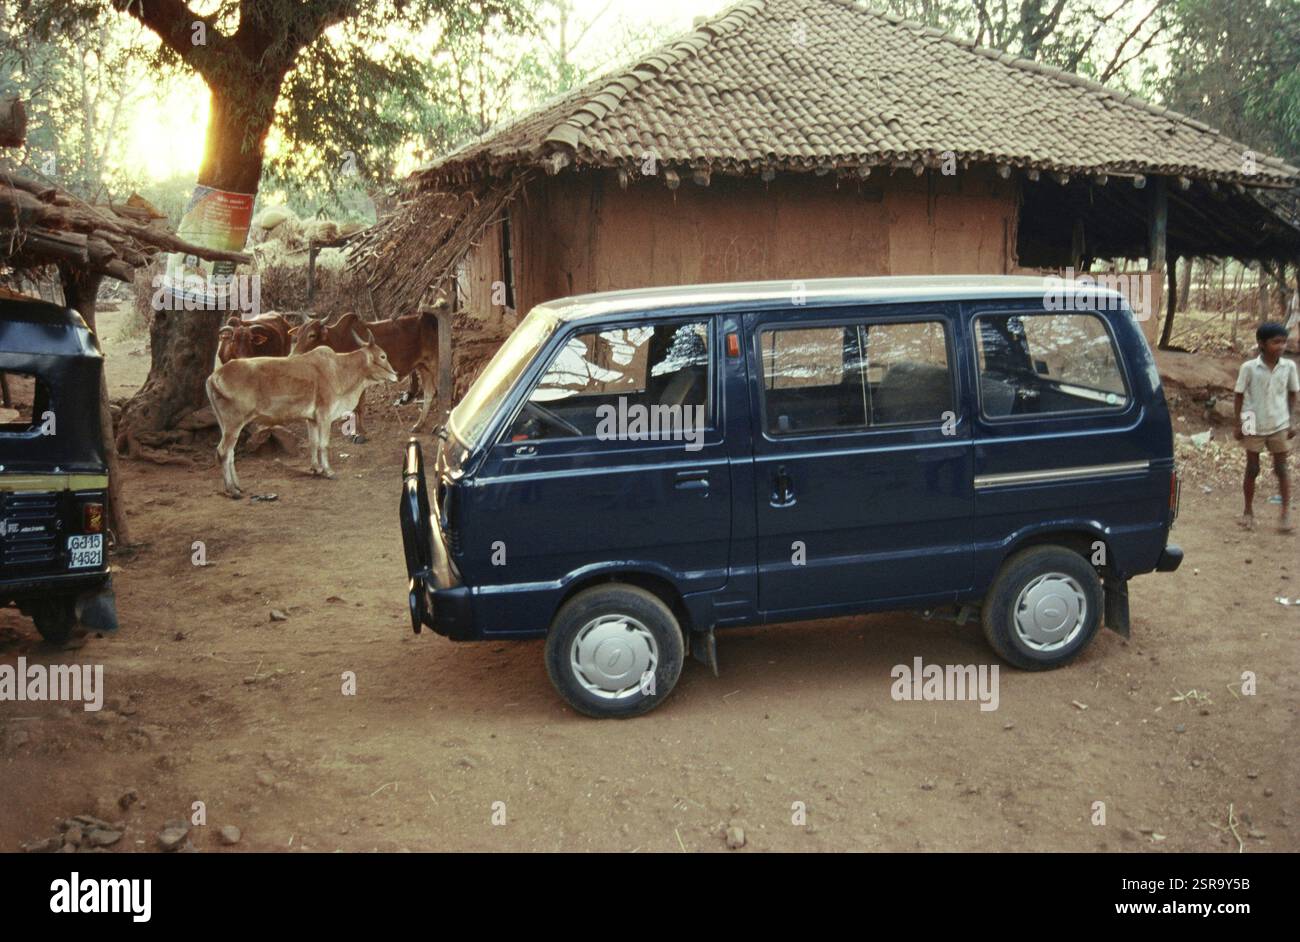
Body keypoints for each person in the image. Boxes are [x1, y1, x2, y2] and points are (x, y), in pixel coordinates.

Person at [1234, 322, 1299, 532]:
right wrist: (1239, 423)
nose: (1280, 346)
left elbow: (1292, 394)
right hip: (1252, 419)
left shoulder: (1289, 367)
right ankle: (1247, 511)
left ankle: (1285, 513)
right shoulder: (1249, 368)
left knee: (1281, 468)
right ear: (1261, 343)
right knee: (1252, 468)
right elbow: (1239, 395)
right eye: (1275, 342)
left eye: (1283, 342)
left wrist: (1290, 420)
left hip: (1279, 421)